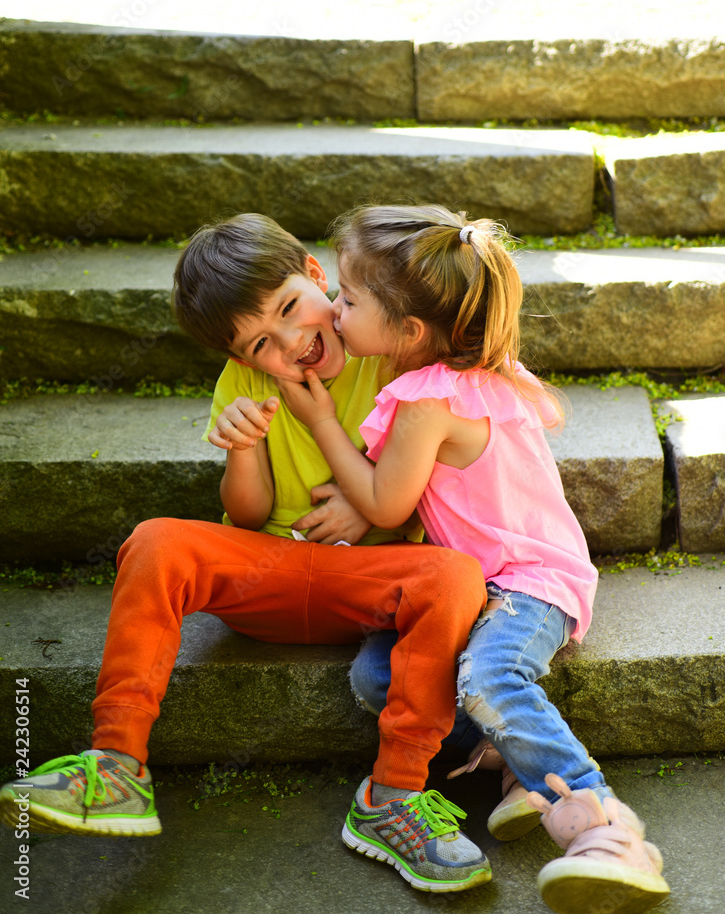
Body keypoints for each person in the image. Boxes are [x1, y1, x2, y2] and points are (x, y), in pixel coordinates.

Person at [0, 213, 492, 894]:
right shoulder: (247, 385)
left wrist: (373, 501)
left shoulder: (391, 353)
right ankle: (115, 763)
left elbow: (432, 476)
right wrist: (240, 447)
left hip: (374, 580)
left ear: (319, 276)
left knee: (457, 576)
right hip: (271, 579)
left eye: (292, 307)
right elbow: (249, 512)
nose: (292, 341)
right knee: (156, 538)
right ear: (239, 358)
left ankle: (393, 796)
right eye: (261, 342)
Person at [276, 204, 671, 914]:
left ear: (408, 333)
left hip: (526, 581)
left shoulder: (427, 402)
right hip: (462, 585)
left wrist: (321, 423)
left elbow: (385, 501)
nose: (334, 311)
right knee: (380, 677)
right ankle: (508, 757)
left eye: (349, 298)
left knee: (489, 675)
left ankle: (608, 831)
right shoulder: (463, 370)